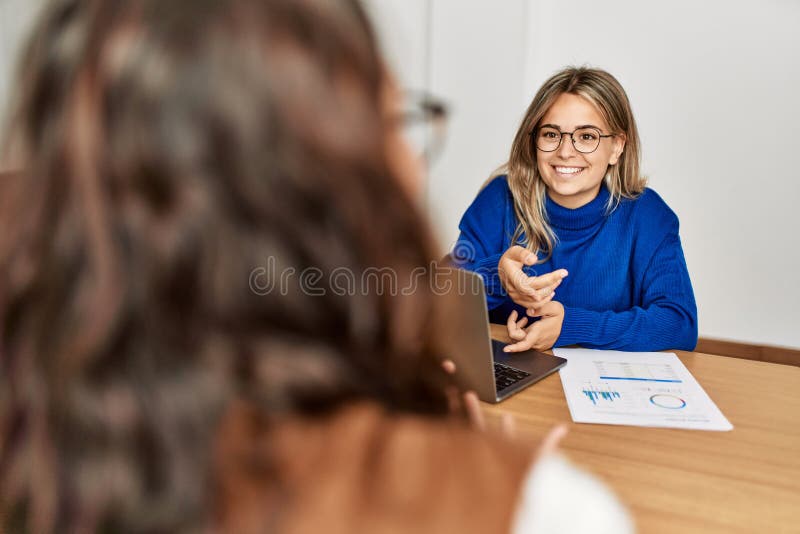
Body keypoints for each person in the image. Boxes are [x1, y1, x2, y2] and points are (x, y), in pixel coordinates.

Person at [0, 1, 632, 532]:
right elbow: (452, 272)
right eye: (394, 125)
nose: (414, 172)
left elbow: (674, 317)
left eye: (586, 136)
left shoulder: (39, 453)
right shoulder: (542, 510)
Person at [453, 66, 698, 352]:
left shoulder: (647, 216)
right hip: (515, 377)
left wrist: (571, 326)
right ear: (534, 141)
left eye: (587, 136)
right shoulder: (499, 199)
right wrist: (498, 276)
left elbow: (679, 324)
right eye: (550, 134)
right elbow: (438, 298)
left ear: (617, 147)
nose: (565, 152)